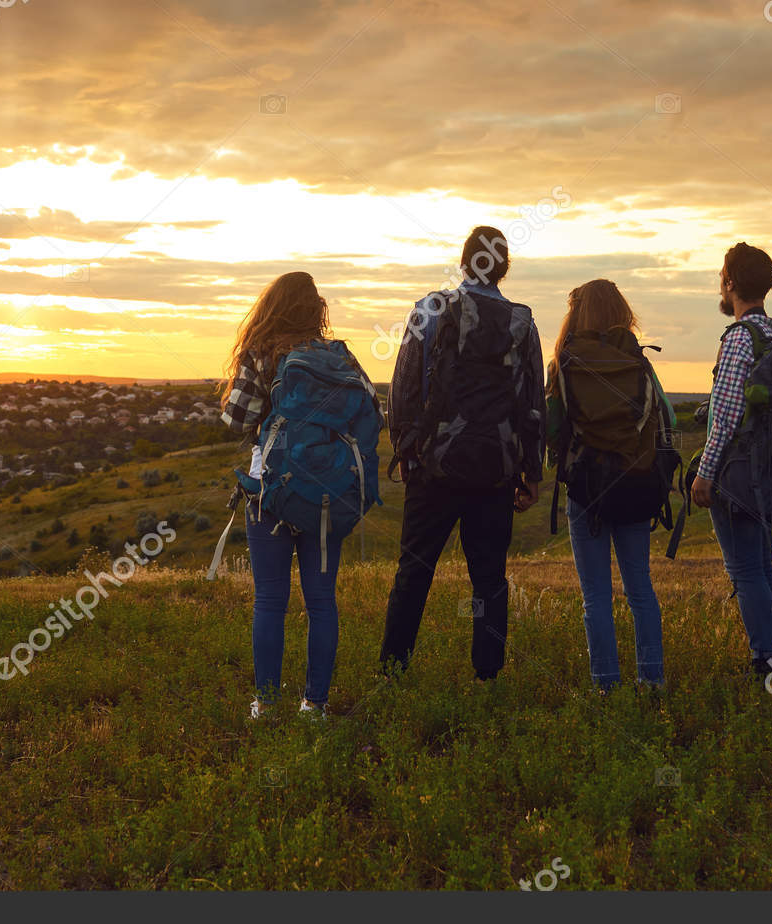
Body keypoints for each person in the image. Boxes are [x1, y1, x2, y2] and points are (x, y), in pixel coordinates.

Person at [378, 227, 545, 681]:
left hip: (434, 466)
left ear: (464, 261)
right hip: (496, 470)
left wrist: (407, 452)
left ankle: (393, 673)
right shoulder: (522, 323)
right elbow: (533, 401)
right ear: (505, 267)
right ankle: (487, 676)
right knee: (489, 578)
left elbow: (403, 388)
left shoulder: (431, 309)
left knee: (413, 572)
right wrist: (532, 470)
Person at [221, 271, 375, 719]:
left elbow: (235, 419)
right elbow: (372, 412)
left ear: (272, 307)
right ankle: (315, 705)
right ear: (317, 310)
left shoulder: (261, 352)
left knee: (271, 599)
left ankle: (267, 705)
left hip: (269, 492)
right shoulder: (339, 357)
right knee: (321, 600)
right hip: (328, 494)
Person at [546, 279, 669, 691]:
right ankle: (651, 682)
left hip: (587, 491)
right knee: (640, 590)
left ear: (576, 312)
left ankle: (605, 685)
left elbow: (550, 427)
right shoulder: (640, 362)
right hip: (636, 486)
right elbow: (665, 418)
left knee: (595, 596)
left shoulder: (564, 362)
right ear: (621, 312)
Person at [691, 242, 772, 678]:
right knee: (763, 565)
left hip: (738, 473)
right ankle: (769, 651)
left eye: (721, 275)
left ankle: (765, 661)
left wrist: (704, 472)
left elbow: (727, 413)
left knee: (746, 567)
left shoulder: (739, 339)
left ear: (730, 282)